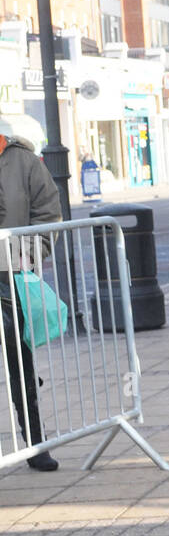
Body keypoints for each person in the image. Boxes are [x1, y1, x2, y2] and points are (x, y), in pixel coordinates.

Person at [0, 119, 63, 470]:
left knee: (20, 363)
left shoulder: (21, 160)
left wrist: (31, 252)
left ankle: (36, 444)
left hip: (8, 278)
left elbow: (48, 212)